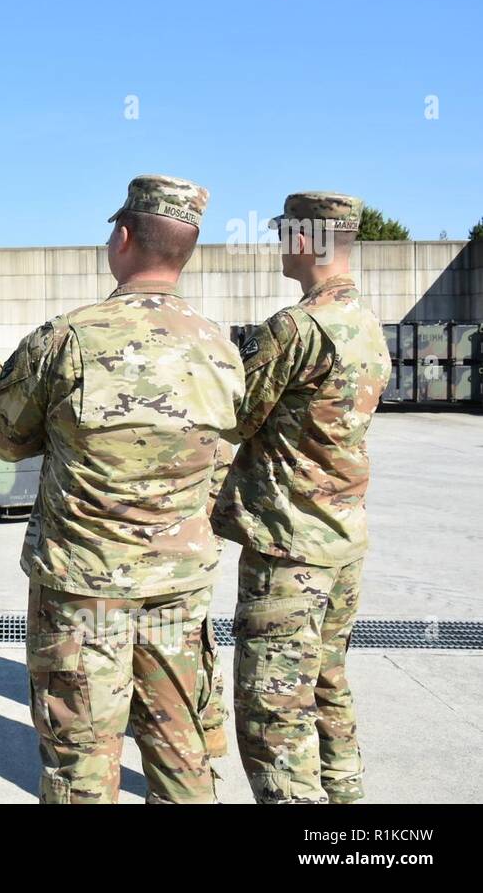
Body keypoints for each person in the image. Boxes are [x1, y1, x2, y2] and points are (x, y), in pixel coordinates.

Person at [0, 174, 244, 803]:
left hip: (85, 588)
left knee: (80, 760)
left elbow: (5, 439)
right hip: (179, 585)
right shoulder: (222, 347)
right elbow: (228, 451)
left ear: (123, 237)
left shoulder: (66, 339)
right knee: (183, 751)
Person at [212, 192, 392, 804]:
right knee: (325, 684)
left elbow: (235, 417)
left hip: (290, 548)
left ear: (306, 240)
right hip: (342, 538)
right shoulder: (365, 321)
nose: (277, 246)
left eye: (284, 234)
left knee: (273, 709)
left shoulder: (297, 328)